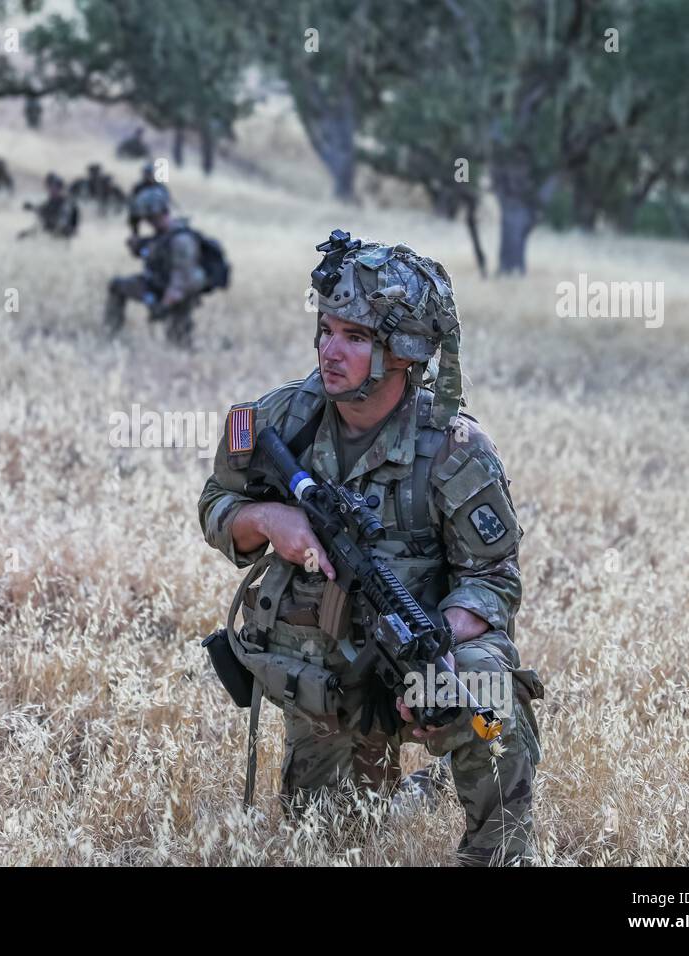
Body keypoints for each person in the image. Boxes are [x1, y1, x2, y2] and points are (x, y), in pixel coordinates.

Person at [197, 234, 544, 866]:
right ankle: (405, 792)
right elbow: (215, 505)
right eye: (326, 329)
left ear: (403, 355)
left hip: (417, 657)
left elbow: (494, 578)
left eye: (356, 337)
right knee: (331, 844)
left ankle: (501, 852)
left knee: (491, 694)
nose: (331, 350)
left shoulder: (454, 450)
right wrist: (269, 518)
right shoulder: (281, 419)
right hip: (323, 676)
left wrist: (433, 644)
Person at [104, 186, 206, 348]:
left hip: (177, 295)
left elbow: (180, 283)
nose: (148, 222)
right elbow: (149, 254)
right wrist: (137, 244)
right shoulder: (160, 237)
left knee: (178, 344)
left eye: (149, 217)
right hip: (156, 285)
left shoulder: (181, 240)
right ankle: (111, 334)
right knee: (117, 286)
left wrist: (162, 307)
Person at [18, 173, 78, 240]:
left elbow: (61, 221)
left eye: (54, 187)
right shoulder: (50, 202)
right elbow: (42, 219)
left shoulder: (67, 203)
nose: (51, 189)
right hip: (50, 234)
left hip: (61, 236)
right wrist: (32, 208)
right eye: (49, 186)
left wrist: (37, 210)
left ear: (60, 188)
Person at [129, 161, 170, 237]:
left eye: (149, 173)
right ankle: (135, 235)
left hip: (160, 212)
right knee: (133, 218)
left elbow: (166, 198)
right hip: (143, 212)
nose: (148, 175)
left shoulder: (159, 185)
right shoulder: (138, 187)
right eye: (146, 173)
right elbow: (133, 201)